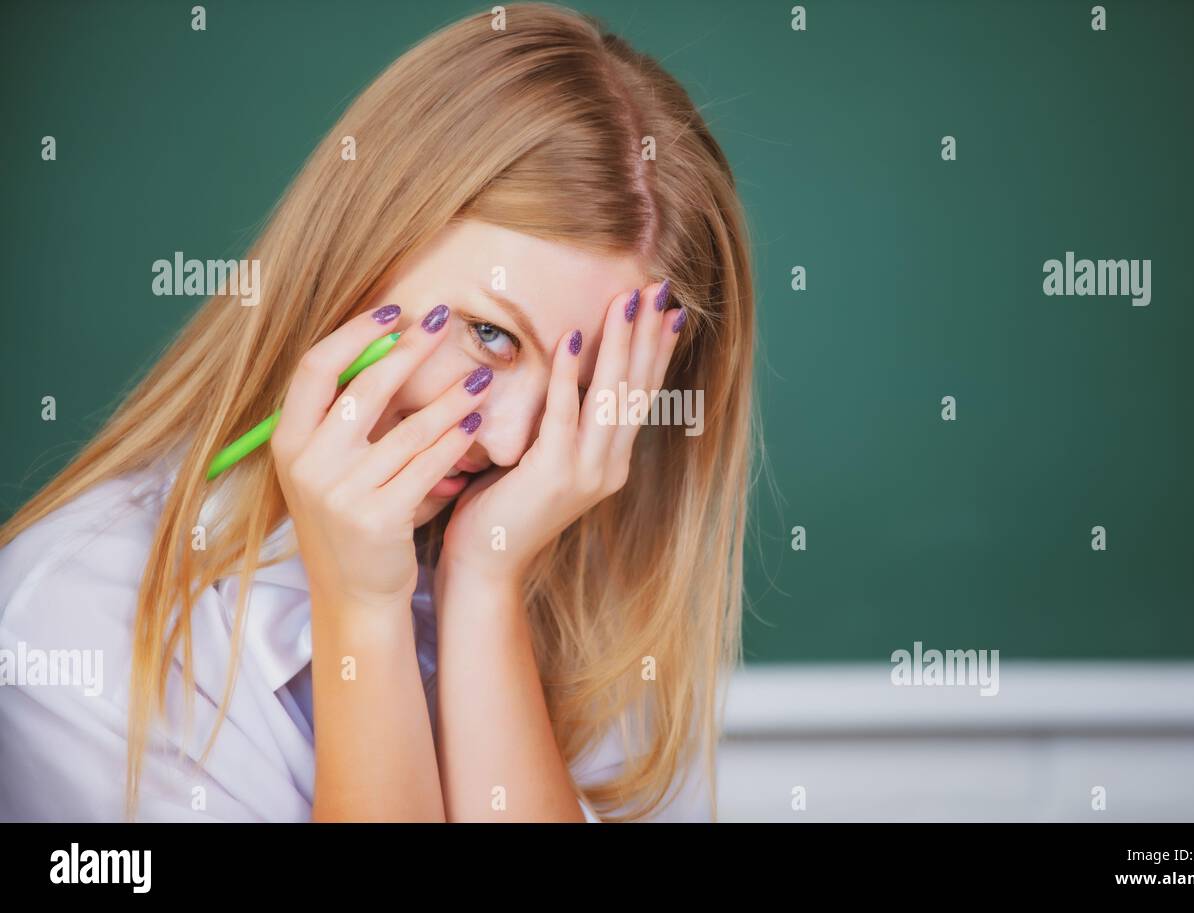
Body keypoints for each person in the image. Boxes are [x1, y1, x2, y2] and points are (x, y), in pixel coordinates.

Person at [0, 2, 754, 822]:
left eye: (582, 389)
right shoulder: (69, 625)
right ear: (360, 247)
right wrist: (362, 611)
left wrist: (485, 580)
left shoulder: (586, 601)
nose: (507, 441)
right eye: (491, 334)